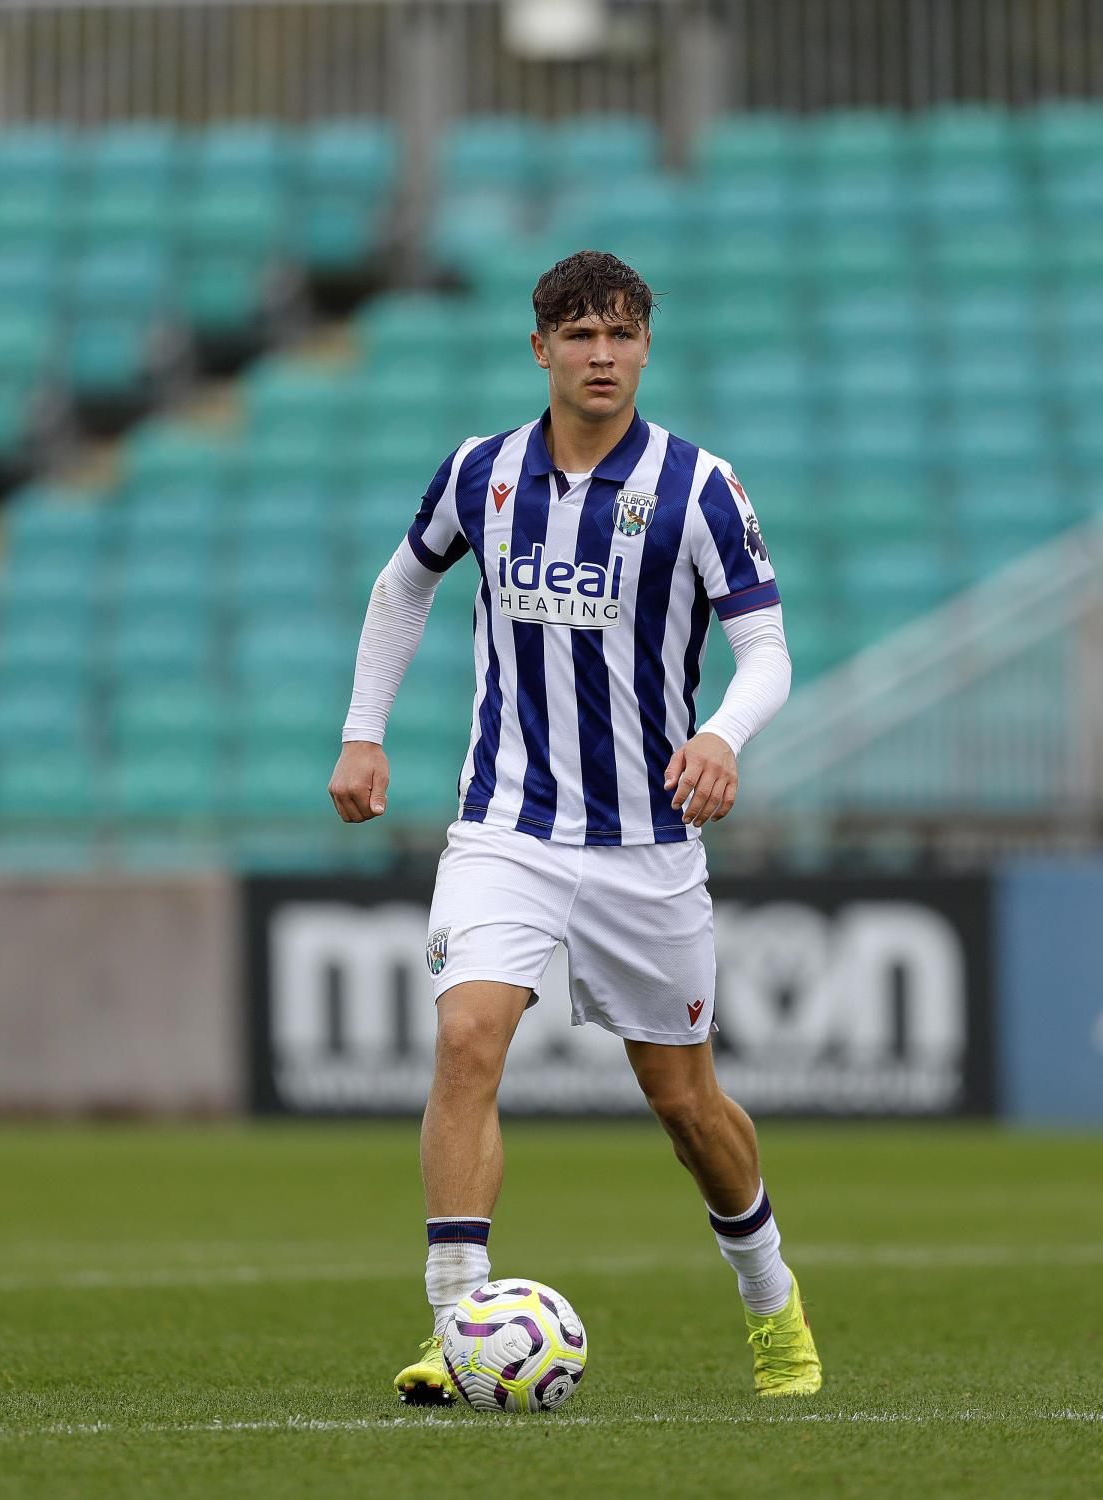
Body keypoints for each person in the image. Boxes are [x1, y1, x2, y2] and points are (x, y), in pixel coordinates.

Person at [328, 250, 820, 1399]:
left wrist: (720, 737)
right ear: (538, 347)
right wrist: (362, 731)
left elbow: (766, 651)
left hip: (645, 843)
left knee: (685, 1105)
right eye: (579, 334)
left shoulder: (699, 488)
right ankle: (456, 1330)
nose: (602, 355)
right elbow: (403, 586)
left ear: (646, 348)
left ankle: (770, 1301)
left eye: (622, 334)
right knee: (466, 1042)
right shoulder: (479, 474)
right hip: (505, 823)